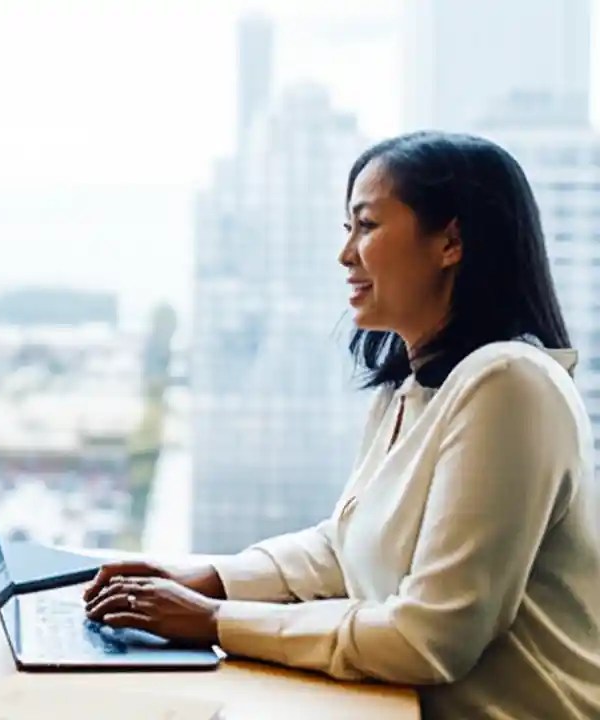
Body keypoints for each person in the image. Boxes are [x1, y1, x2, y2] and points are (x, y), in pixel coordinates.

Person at [83, 132, 600, 719]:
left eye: (367, 225)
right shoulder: (415, 389)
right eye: (348, 228)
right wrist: (208, 579)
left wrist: (214, 621)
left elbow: (430, 638)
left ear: (451, 242)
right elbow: (345, 547)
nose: (346, 254)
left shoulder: (510, 384)